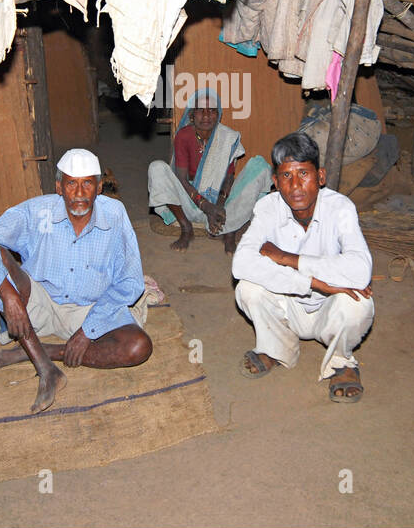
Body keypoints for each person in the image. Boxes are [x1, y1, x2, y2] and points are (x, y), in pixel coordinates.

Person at [0, 148, 152, 414]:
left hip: (90, 307)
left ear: (99, 187)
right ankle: (45, 369)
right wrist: (9, 295)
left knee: (139, 347)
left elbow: (131, 281)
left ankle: (47, 351)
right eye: (71, 184)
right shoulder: (36, 211)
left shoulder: (115, 215)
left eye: (87, 183)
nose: (78, 193)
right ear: (58, 187)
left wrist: (89, 329)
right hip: (38, 301)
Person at [230, 132, 374, 403]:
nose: (295, 185)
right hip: (291, 303)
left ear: (320, 177)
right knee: (248, 288)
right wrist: (313, 283)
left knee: (359, 304)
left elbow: (360, 270)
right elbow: (241, 264)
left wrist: (289, 259)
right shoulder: (267, 208)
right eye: (286, 176)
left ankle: (341, 362)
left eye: (303, 174)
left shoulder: (341, 208)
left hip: (331, 307)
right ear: (275, 182)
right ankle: (277, 349)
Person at [147, 87, 271, 254]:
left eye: (212, 110)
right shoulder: (184, 136)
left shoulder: (227, 136)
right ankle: (186, 228)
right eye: (200, 110)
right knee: (156, 167)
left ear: (218, 114)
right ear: (192, 114)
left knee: (260, 167)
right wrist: (206, 207)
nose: (206, 115)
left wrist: (219, 207)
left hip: (220, 203)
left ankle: (229, 231)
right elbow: (182, 179)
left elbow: (228, 177)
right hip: (188, 201)